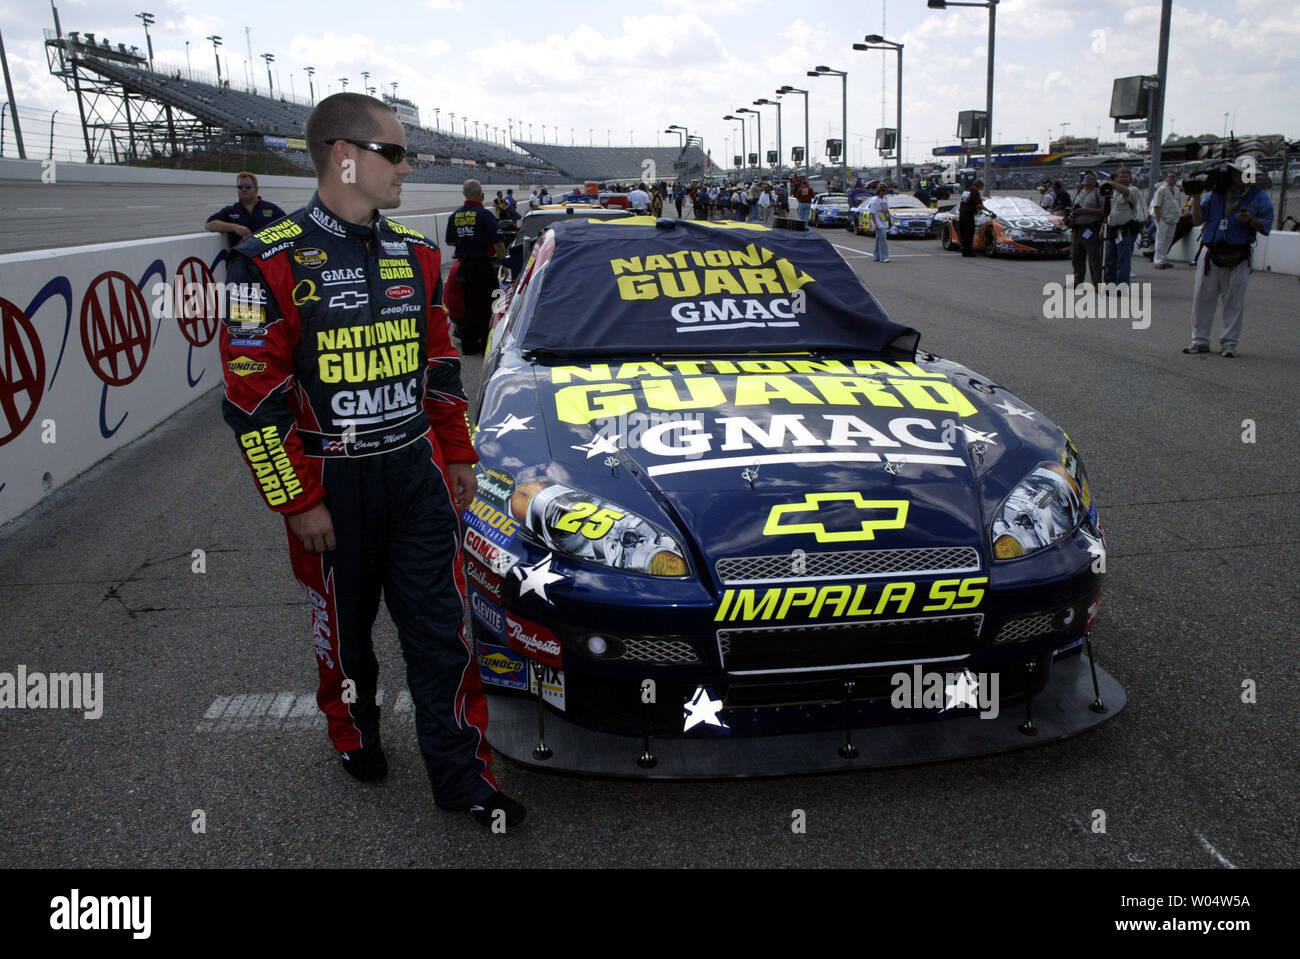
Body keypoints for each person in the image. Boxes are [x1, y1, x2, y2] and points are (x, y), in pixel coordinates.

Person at [219, 93, 522, 828]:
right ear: (346, 156)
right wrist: (298, 500)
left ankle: (462, 778)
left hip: (416, 473)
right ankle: (353, 729)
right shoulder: (263, 263)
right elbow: (252, 402)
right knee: (348, 637)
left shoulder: (417, 254)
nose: (408, 167)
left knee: (443, 634)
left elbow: (442, 366)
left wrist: (457, 455)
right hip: (331, 483)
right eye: (396, 152)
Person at [1183, 159, 1274, 357]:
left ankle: (1229, 343)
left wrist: (1251, 221)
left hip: (1238, 253)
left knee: (1234, 301)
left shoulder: (1259, 196)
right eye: (1239, 173)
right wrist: (1196, 198)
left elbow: (1266, 226)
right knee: (1202, 299)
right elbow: (1198, 220)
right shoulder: (1216, 194)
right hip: (1211, 252)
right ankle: (1199, 340)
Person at [446, 178, 506, 355]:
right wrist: (504, 264)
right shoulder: (485, 215)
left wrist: (467, 242)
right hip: (483, 265)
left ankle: (469, 346)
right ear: (480, 194)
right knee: (489, 306)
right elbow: (499, 243)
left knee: (469, 306)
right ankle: (486, 345)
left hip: (464, 266)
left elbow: (450, 241)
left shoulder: (455, 216)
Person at [205, 172, 286, 246]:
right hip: (241, 258)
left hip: (266, 258)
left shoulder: (271, 209)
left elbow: (289, 226)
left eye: (248, 187)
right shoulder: (231, 210)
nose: (244, 189)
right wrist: (235, 227)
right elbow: (209, 225)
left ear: (256, 189)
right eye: (240, 187)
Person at [1102, 167, 1145, 286]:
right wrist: (1103, 227)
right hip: (1112, 229)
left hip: (1126, 230)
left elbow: (1126, 192)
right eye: (1121, 176)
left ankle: (1122, 286)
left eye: (1126, 177)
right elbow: (1109, 211)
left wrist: (1111, 183)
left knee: (1123, 260)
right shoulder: (1112, 192)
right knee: (1110, 259)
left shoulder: (1133, 190)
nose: (1123, 179)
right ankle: (1110, 284)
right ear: (1116, 178)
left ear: (1130, 178)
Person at [1070, 171, 1105, 284]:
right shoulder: (1079, 193)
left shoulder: (1098, 193)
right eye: (1086, 177)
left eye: (1091, 178)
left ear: (1095, 181)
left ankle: (1097, 282)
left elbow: (1104, 211)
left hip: (1091, 229)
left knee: (1094, 257)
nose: (1087, 180)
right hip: (1077, 229)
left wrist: (1085, 210)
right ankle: (1078, 280)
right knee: (1077, 257)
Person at [1150, 170, 1186, 269]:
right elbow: (1156, 205)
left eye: (1173, 177)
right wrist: (1158, 219)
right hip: (1163, 218)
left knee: (1168, 240)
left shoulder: (1177, 190)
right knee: (1160, 240)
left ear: (1176, 178)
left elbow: (1177, 204)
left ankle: (1164, 259)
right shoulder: (1161, 189)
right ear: (1167, 178)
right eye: (1169, 176)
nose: (1171, 178)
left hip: (1173, 219)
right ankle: (1158, 261)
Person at [958, 178, 988, 256]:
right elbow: (979, 205)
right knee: (969, 234)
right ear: (980, 186)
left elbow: (963, 202)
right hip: (968, 215)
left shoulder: (966, 191)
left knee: (963, 233)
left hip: (962, 214)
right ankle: (968, 252)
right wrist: (989, 211)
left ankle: (964, 250)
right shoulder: (975, 192)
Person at [867, 184, 891, 263]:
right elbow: (872, 214)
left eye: (886, 190)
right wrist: (875, 224)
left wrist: (889, 219)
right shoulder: (875, 201)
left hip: (883, 221)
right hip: (877, 221)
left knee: (878, 239)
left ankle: (876, 256)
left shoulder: (884, 199)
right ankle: (884, 257)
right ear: (879, 191)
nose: (885, 192)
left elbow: (886, 210)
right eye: (884, 190)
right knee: (883, 239)